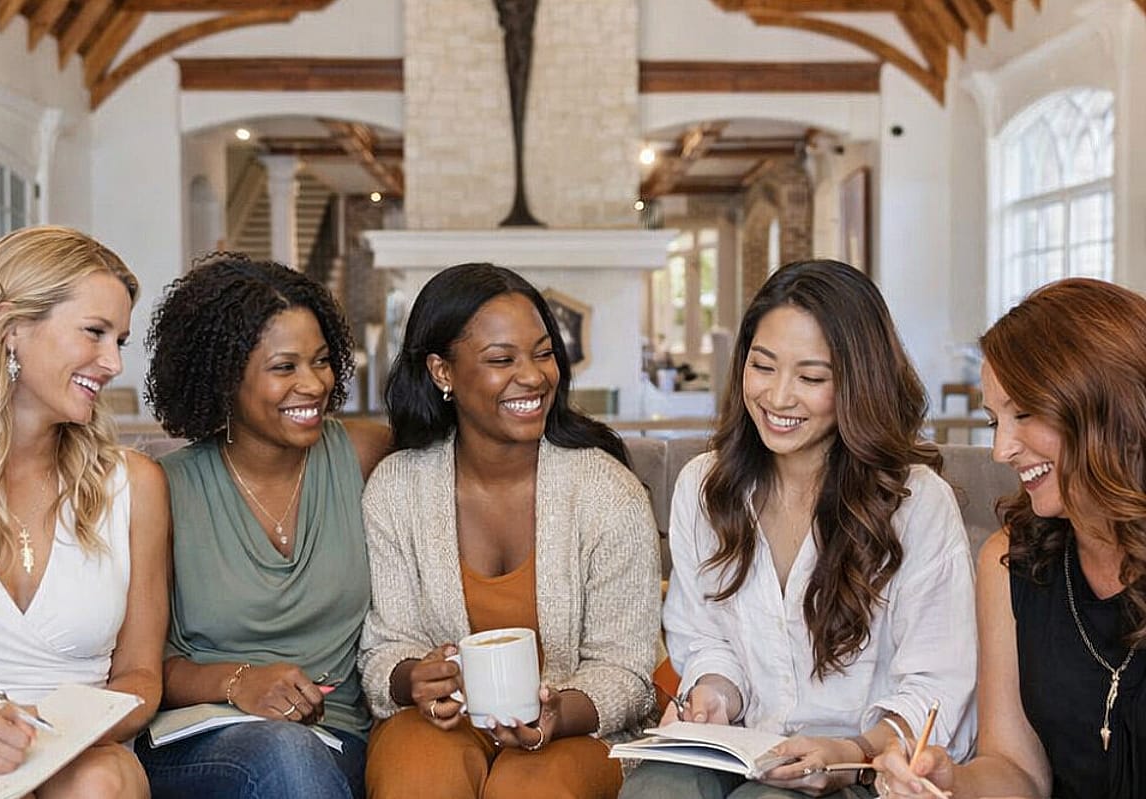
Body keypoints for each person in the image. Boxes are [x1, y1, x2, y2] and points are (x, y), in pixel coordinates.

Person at [620, 259, 976, 799]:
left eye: (811, 378)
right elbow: (704, 637)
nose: (778, 397)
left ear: (859, 382)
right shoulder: (704, 486)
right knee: (655, 791)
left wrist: (850, 753)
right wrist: (716, 691)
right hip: (741, 747)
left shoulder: (916, 501)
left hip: (862, 764)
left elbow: (936, 686)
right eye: (762, 367)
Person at [360, 262, 660, 799]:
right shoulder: (397, 489)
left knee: (528, 788)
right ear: (441, 371)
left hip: (576, 730)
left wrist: (554, 715)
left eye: (544, 353)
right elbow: (386, 644)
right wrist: (412, 678)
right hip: (443, 726)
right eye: (502, 359)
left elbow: (627, 672)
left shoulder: (607, 493)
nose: (534, 376)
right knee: (418, 775)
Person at [876, 278, 1146, 799]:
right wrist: (952, 781)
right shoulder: (1009, 561)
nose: (1002, 450)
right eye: (995, 420)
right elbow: (1016, 769)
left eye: (1024, 414)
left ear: (1107, 404)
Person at [135, 254, 389, 799]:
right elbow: (140, 664)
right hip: (200, 740)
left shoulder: (365, 455)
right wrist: (239, 682)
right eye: (284, 367)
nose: (313, 384)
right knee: (283, 754)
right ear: (225, 377)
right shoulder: (163, 488)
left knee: (298, 758)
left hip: (336, 738)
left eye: (321, 362)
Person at [0, 225, 168, 795]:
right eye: (94, 332)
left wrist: (60, 736)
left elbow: (140, 674)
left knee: (96, 782)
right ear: (10, 326)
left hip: (81, 754)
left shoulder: (134, 485)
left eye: (119, 340)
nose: (113, 363)